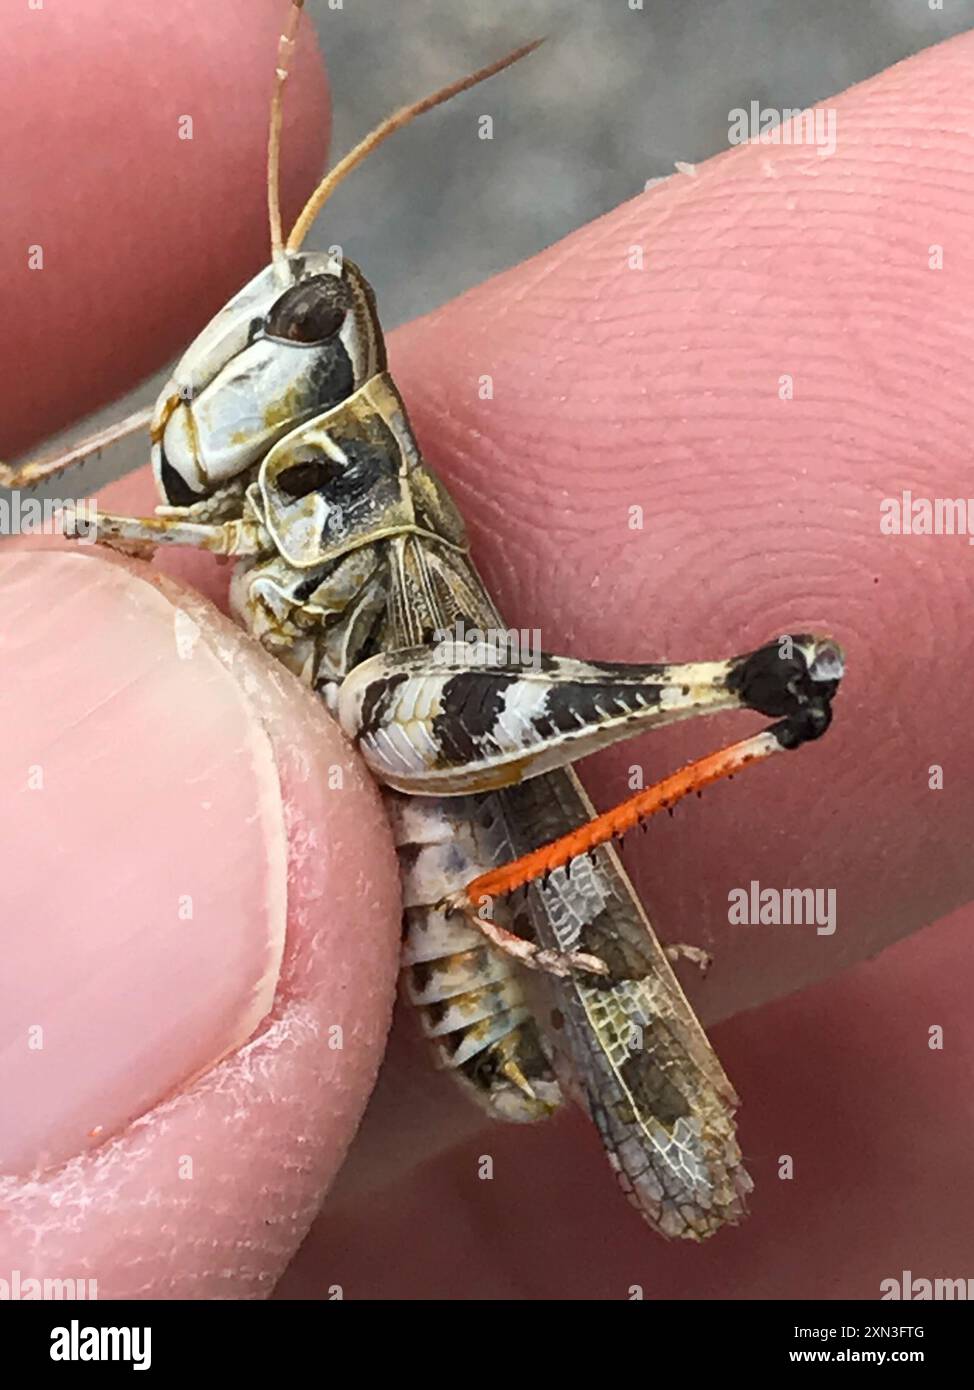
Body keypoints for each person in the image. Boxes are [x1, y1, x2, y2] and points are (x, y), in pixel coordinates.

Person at [1, 0, 972, 1300]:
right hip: (409, 849)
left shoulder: (351, 504)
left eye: (287, 336)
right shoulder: (277, 495)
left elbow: (180, 534)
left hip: (479, 849)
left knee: (606, 698)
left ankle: (736, 698)